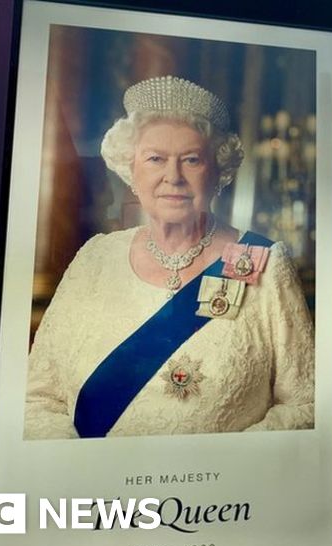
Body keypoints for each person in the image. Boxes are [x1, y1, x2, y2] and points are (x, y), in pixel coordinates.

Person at [24, 76, 315, 439]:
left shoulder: (261, 261)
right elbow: (38, 398)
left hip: (221, 494)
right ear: (132, 170)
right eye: (155, 159)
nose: (172, 177)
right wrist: (82, 472)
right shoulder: (94, 258)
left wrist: (230, 467)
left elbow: (306, 403)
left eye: (191, 160)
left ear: (218, 171)